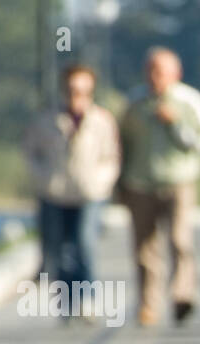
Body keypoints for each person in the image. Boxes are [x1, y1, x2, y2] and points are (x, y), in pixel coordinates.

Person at [117, 47, 200, 327]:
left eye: (160, 71)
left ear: (176, 74)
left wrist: (176, 124)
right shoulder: (134, 104)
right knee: (144, 250)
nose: (154, 77)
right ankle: (149, 306)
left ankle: (182, 295)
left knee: (179, 240)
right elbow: (121, 144)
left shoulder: (190, 101)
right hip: (140, 184)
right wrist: (119, 184)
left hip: (178, 183)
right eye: (150, 70)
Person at [23, 64, 121, 316]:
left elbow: (111, 157)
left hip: (89, 194)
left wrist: (100, 183)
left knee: (84, 243)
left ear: (91, 89)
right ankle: (66, 303)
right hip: (54, 193)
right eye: (72, 88)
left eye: (82, 88)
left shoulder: (102, 120)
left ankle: (87, 299)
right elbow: (31, 152)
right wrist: (43, 179)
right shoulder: (47, 119)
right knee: (59, 248)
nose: (76, 93)